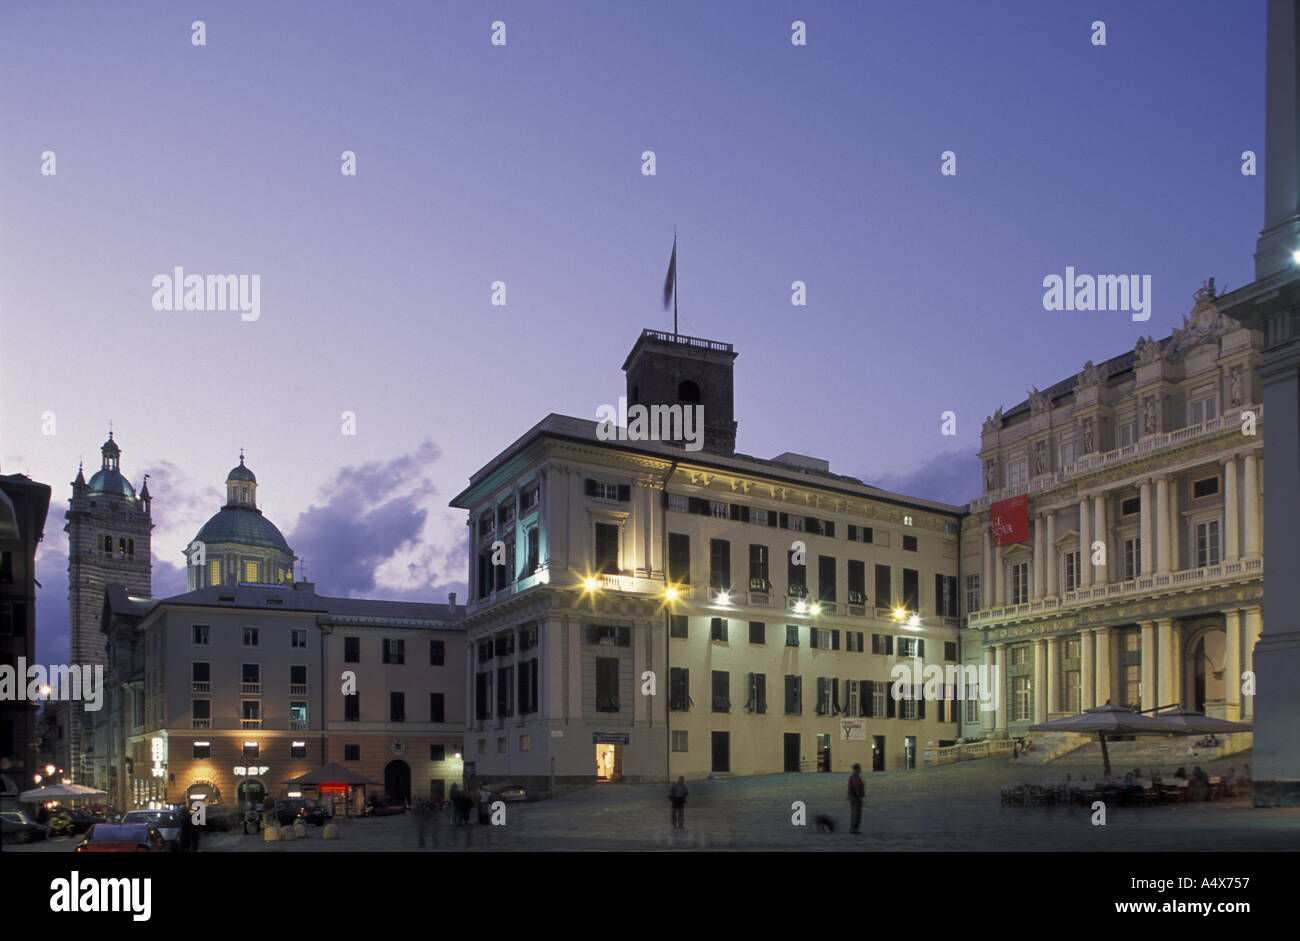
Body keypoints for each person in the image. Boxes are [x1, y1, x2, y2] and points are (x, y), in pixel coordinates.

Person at [847, 763, 865, 834]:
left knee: (854, 813)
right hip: (855, 798)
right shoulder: (855, 777)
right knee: (856, 814)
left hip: (853, 797)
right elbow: (857, 787)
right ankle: (854, 829)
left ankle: (853, 828)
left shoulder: (853, 776)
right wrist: (859, 797)